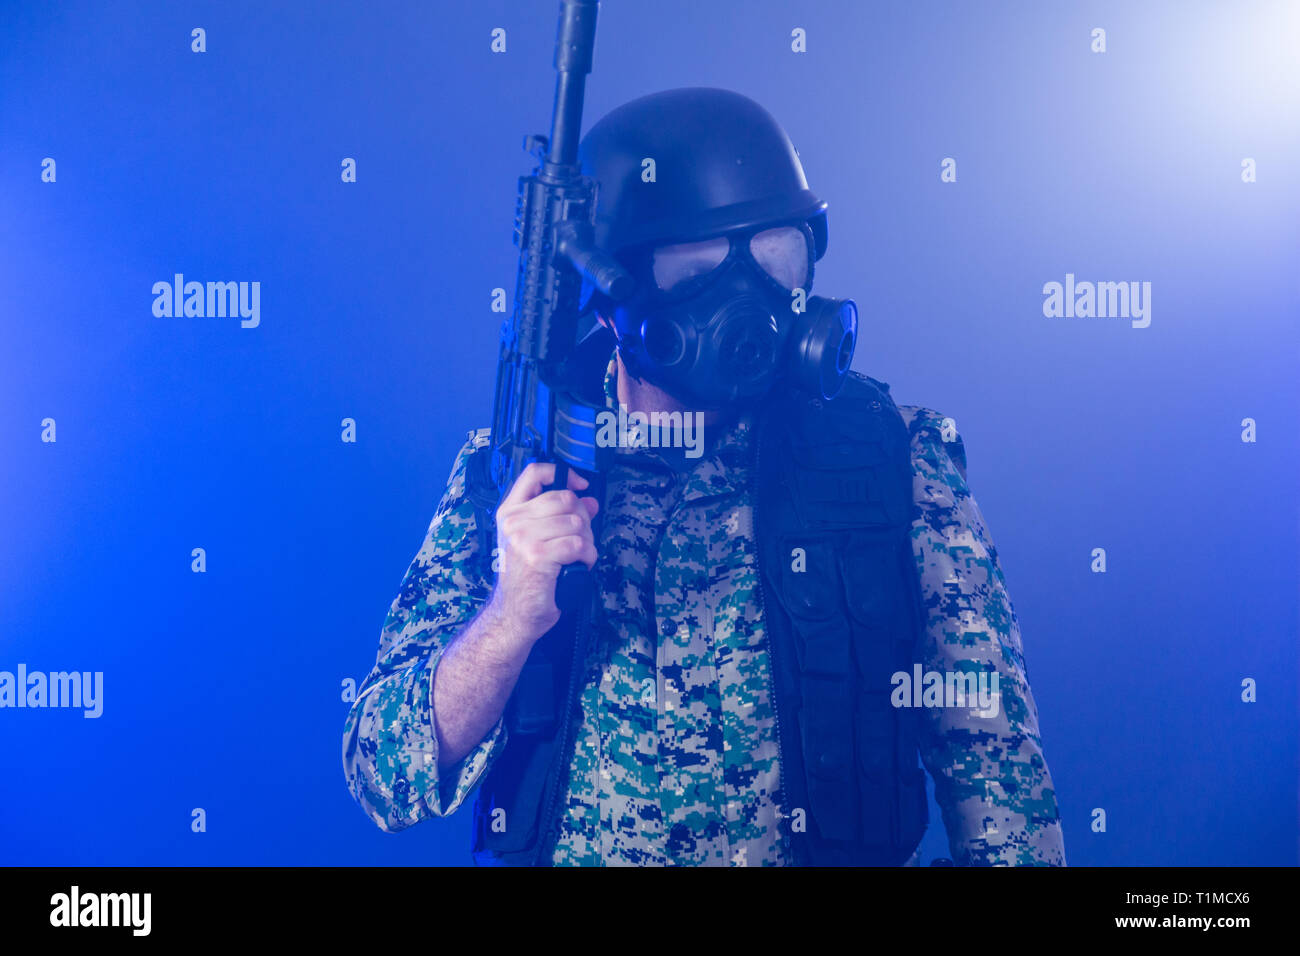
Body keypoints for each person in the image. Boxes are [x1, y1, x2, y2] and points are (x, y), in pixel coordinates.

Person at [341, 88, 1066, 867]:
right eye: (698, 271)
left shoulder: (895, 454)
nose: (749, 304)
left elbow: (995, 764)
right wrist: (510, 615)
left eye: (776, 259)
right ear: (615, 297)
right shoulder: (514, 477)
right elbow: (387, 780)